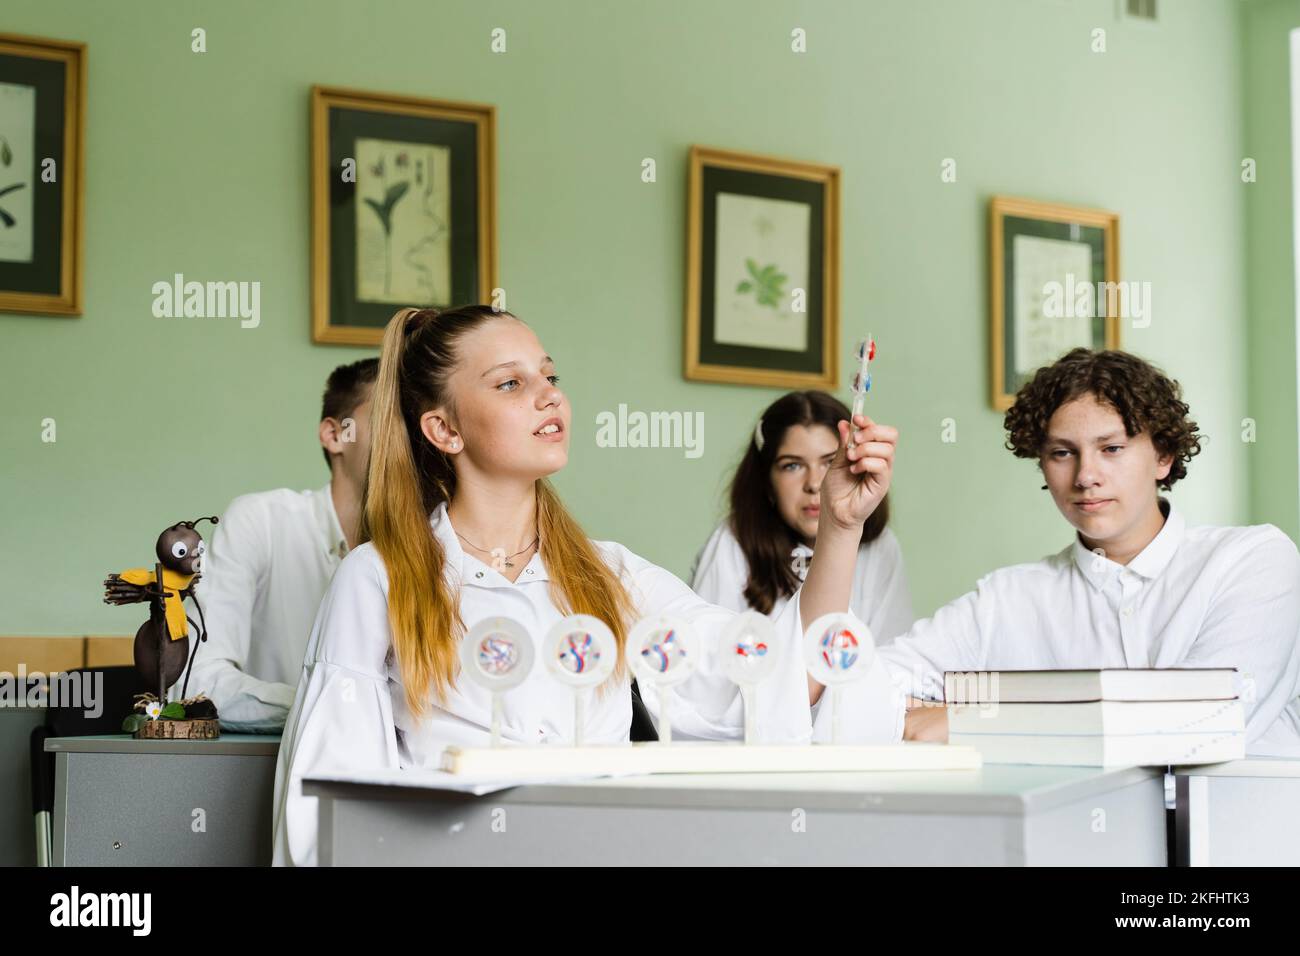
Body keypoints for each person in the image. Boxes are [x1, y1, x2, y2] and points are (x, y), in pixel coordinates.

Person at [271, 305, 901, 865]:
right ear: (444, 430)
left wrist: (842, 529)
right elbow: (328, 809)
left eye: (550, 377)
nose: (549, 396)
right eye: (511, 383)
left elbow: (780, 675)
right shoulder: (377, 578)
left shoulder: (613, 576)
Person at [865, 348, 1300, 756]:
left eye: (1111, 449)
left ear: (1163, 456)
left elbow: (1205, 724)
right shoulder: (1008, 599)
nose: (1086, 475)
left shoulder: (1252, 561)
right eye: (1062, 453)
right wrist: (843, 527)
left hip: (1241, 833)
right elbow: (864, 691)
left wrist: (974, 720)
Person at [185, 359, 377, 732]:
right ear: (335, 435)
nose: (410, 438)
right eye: (391, 417)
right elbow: (198, 684)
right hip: (262, 773)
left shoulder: (437, 544)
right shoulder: (261, 521)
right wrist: (331, 708)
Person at [691, 390, 913, 645]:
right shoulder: (732, 543)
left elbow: (890, 658)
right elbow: (706, 666)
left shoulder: (881, 546)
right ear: (767, 481)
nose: (814, 484)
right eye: (792, 465)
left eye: (830, 462)